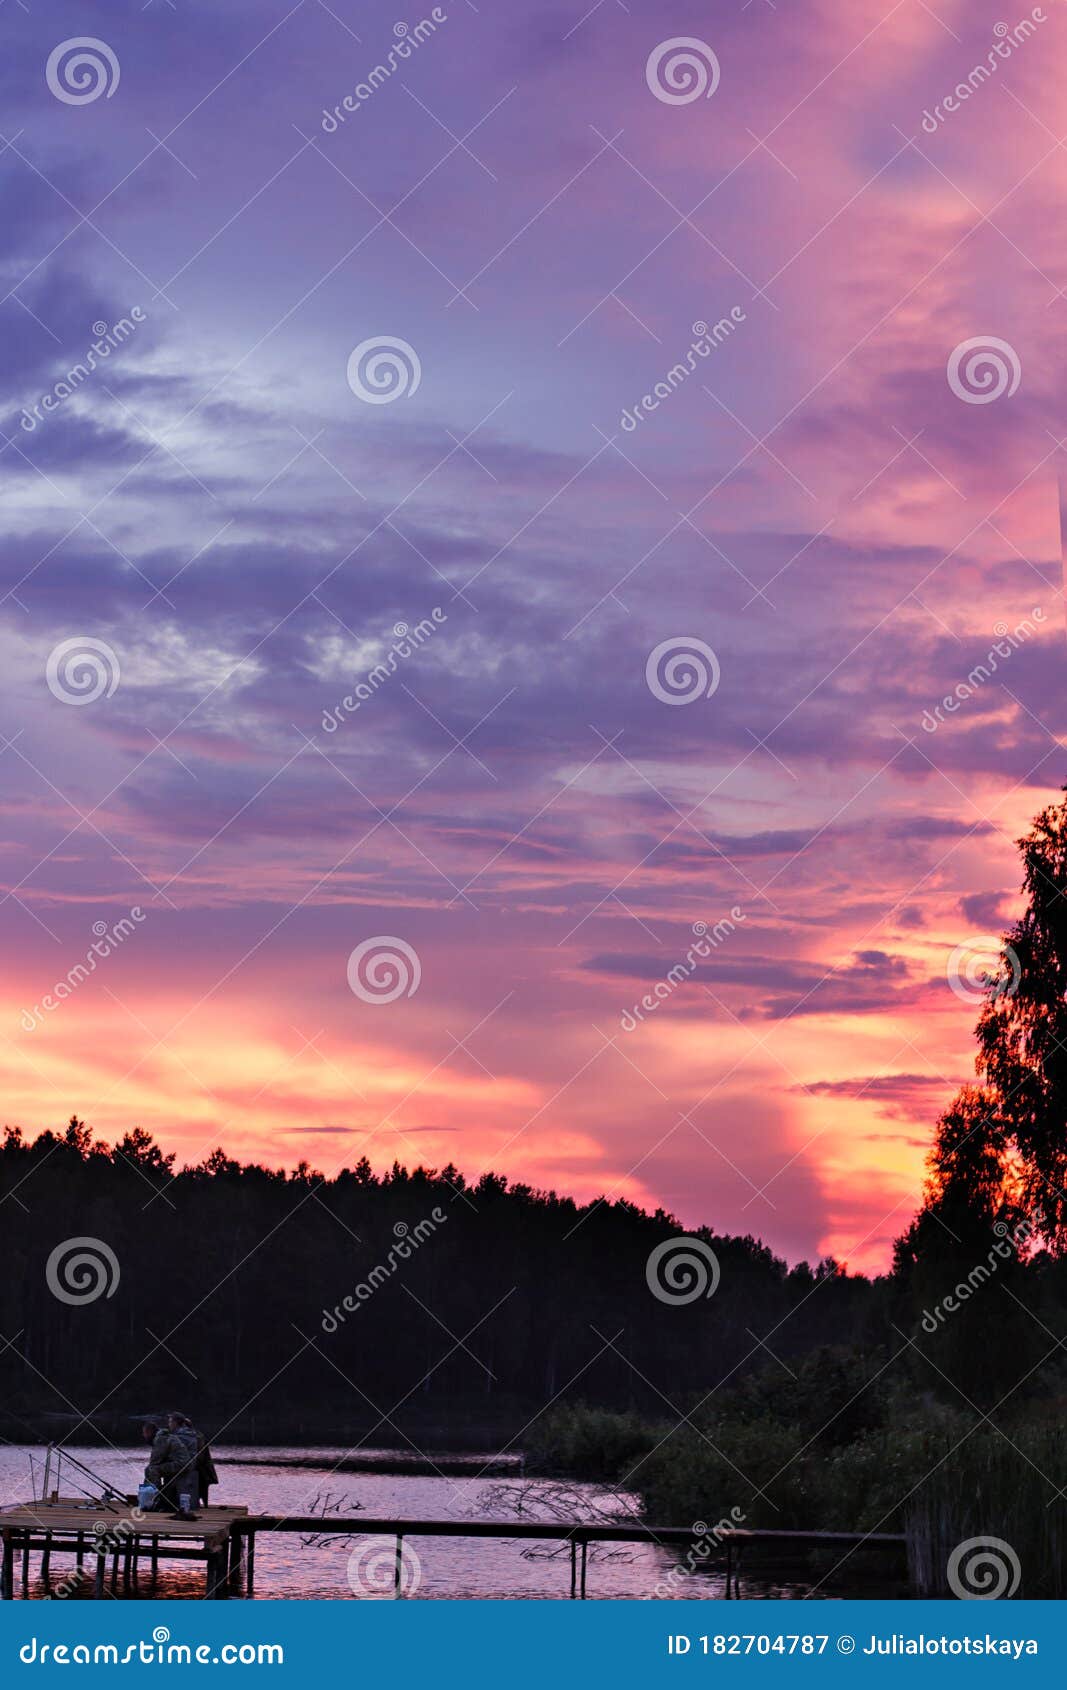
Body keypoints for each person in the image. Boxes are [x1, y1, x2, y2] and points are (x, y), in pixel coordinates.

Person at [168, 1412, 217, 1508]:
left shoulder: (184, 1436)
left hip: (198, 1467)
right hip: (201, 1466)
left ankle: (168, 1500)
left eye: (170, 1422)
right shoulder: (196, 1435)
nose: (169, 1424)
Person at [141, 1419, 184, 1513]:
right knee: (151, 1469)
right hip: (178, 1463)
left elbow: (155, 1461)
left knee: (152, 1470)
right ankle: (151, 1498)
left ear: (149, 1431)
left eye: (144, 1433)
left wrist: (145, 1488)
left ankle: (156, 1499)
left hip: (181, 1465)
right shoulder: (161, 1437)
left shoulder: (160, 1439)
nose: (143, 1435)